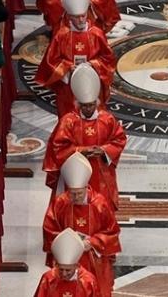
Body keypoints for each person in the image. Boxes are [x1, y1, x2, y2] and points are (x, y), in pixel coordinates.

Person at [45, 63, 125, 209]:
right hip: (75, 171)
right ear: (78, 104)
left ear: (97, 102)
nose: (88, 108)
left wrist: (104, 150)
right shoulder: (69, 121)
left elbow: (119, 139)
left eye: (91, 105)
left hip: (100, 170)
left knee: (101, 207)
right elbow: (58, 146)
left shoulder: (107, 119)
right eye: (84, 105)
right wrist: (81, 151)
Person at [42, 152, 120, 296]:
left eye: (79, 193)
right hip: (65, 258)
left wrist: (93, 242)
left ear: (86, 187)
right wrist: (66, 241)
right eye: (72, 193)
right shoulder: (60, 203)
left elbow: (112, 231)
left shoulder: (100, 204)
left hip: (92, 256)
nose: (75, 197)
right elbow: (49, 228)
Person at [36, 0, 116, 116]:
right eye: (76, 17)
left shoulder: (96, 34)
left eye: (83, 16)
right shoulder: (62, 36)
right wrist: (67, 67)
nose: (81, 20)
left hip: (92, 82)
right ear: (69, 16)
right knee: (69, 121)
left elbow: (108, 59)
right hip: (68, 88)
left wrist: (92, 64)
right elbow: (51, 61)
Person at [33, 228, 100, 296]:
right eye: (61, 269)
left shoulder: (88, 281)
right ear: (56, 265)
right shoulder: (48, 278)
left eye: (68, 270)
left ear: (76, 266)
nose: (64, 274)